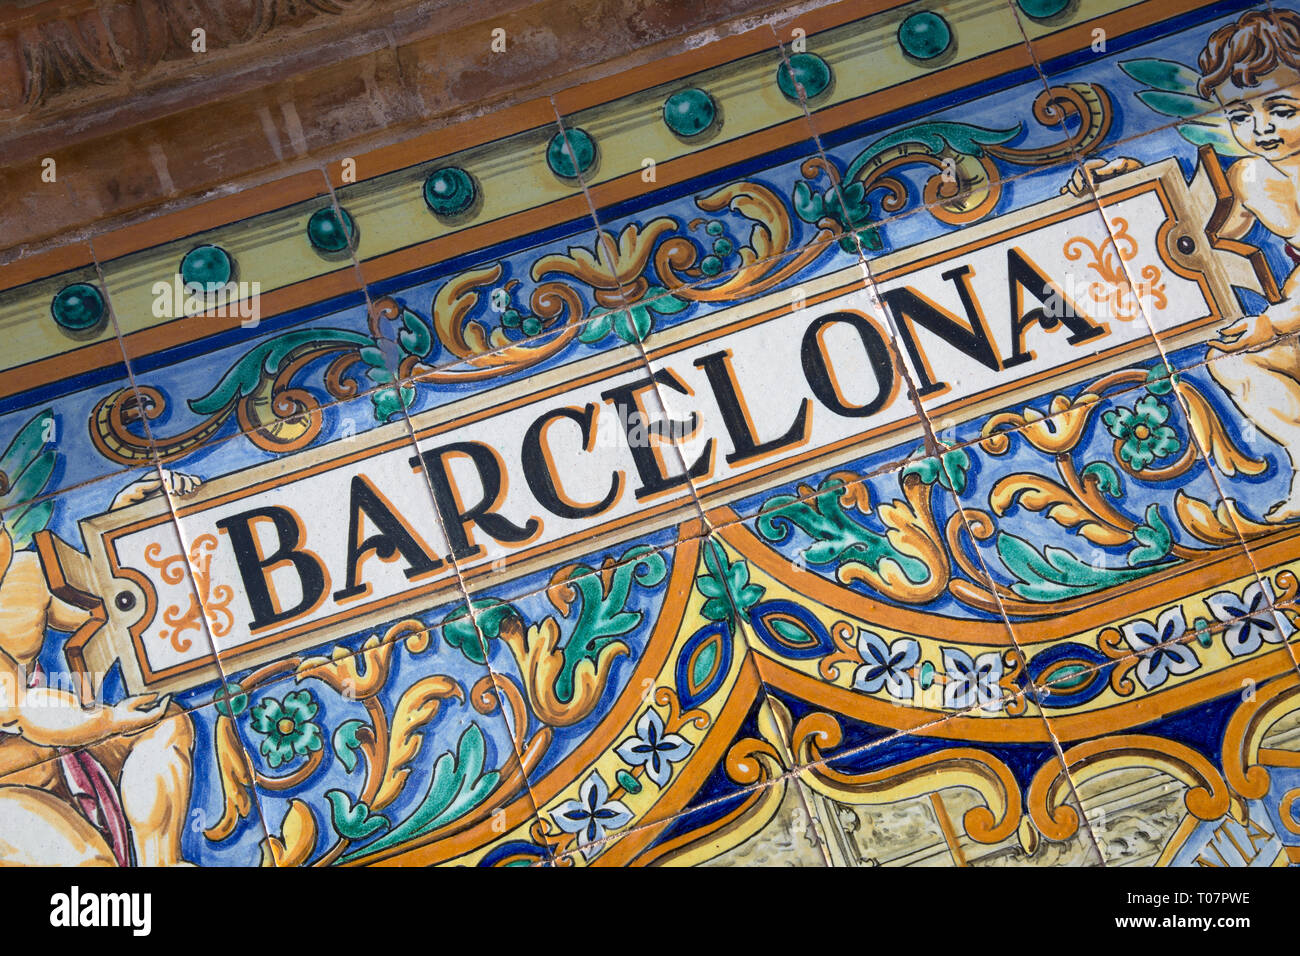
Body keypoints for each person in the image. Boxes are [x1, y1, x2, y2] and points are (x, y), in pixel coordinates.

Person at [1064, 10, 1300, 521]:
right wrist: (1125, 184)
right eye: (1240, 116)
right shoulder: (1249, 177)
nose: (1260, 129)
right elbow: (1191, 226)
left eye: (1282, 109)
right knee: (1228, 361)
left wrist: (1272, 322)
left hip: (1292, 318)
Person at [0, 470, 202, 865]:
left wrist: (120, 527)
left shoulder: (23, 577)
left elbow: (104, 607)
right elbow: (22, 710)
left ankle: (160, 860)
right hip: (8, 792)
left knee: (166, 723)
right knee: (87, 862)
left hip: (63, 752)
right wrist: (110, 719)